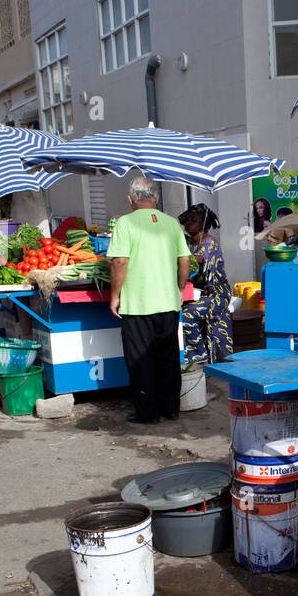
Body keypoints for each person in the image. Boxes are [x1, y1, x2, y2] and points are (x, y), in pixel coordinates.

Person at [108, 176, 190, 424]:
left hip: (138, 304)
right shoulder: (171, 223)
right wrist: (178, 288)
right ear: (156, 198)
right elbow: (184, 260)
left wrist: (114, 296)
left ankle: (147, 413)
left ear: (130, 199)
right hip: (168, 302)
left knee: (141, 360)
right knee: (168, 358)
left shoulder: (125, 223)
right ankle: (170, 409)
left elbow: (119, 261)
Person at [179, 202, 233, 365]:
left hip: (217, 296)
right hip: (198, 294)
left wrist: (190, 262)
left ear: (203, 224)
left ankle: (198, 354)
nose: (188, 224)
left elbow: (204, 275)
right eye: (187, 220)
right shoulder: (188, 243)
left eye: (193, 220)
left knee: (188, 313)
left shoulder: (210, 243)